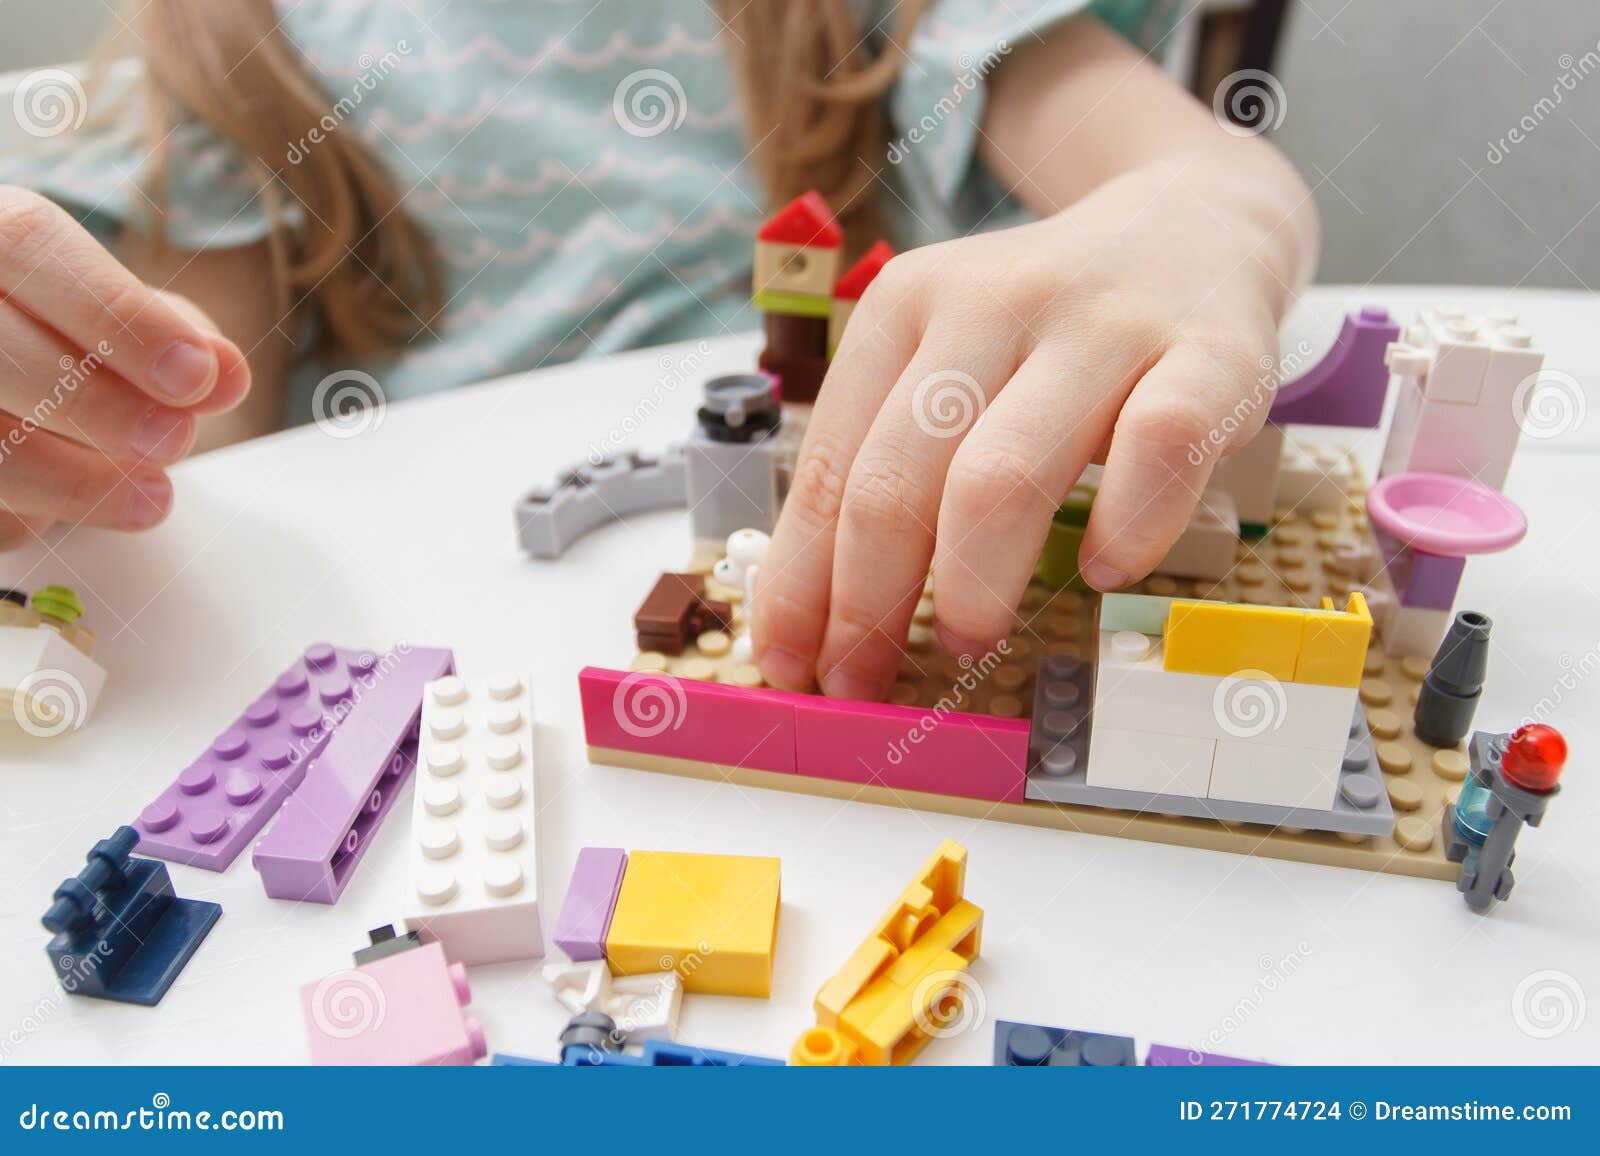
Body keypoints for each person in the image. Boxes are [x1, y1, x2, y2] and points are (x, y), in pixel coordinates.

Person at [0, 1, 1317, 701]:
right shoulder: (241, 37)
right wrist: (48, 452)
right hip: (437, 642)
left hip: (815, 572)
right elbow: (172, 458)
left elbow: (1186, 176)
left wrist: (1209, 216)